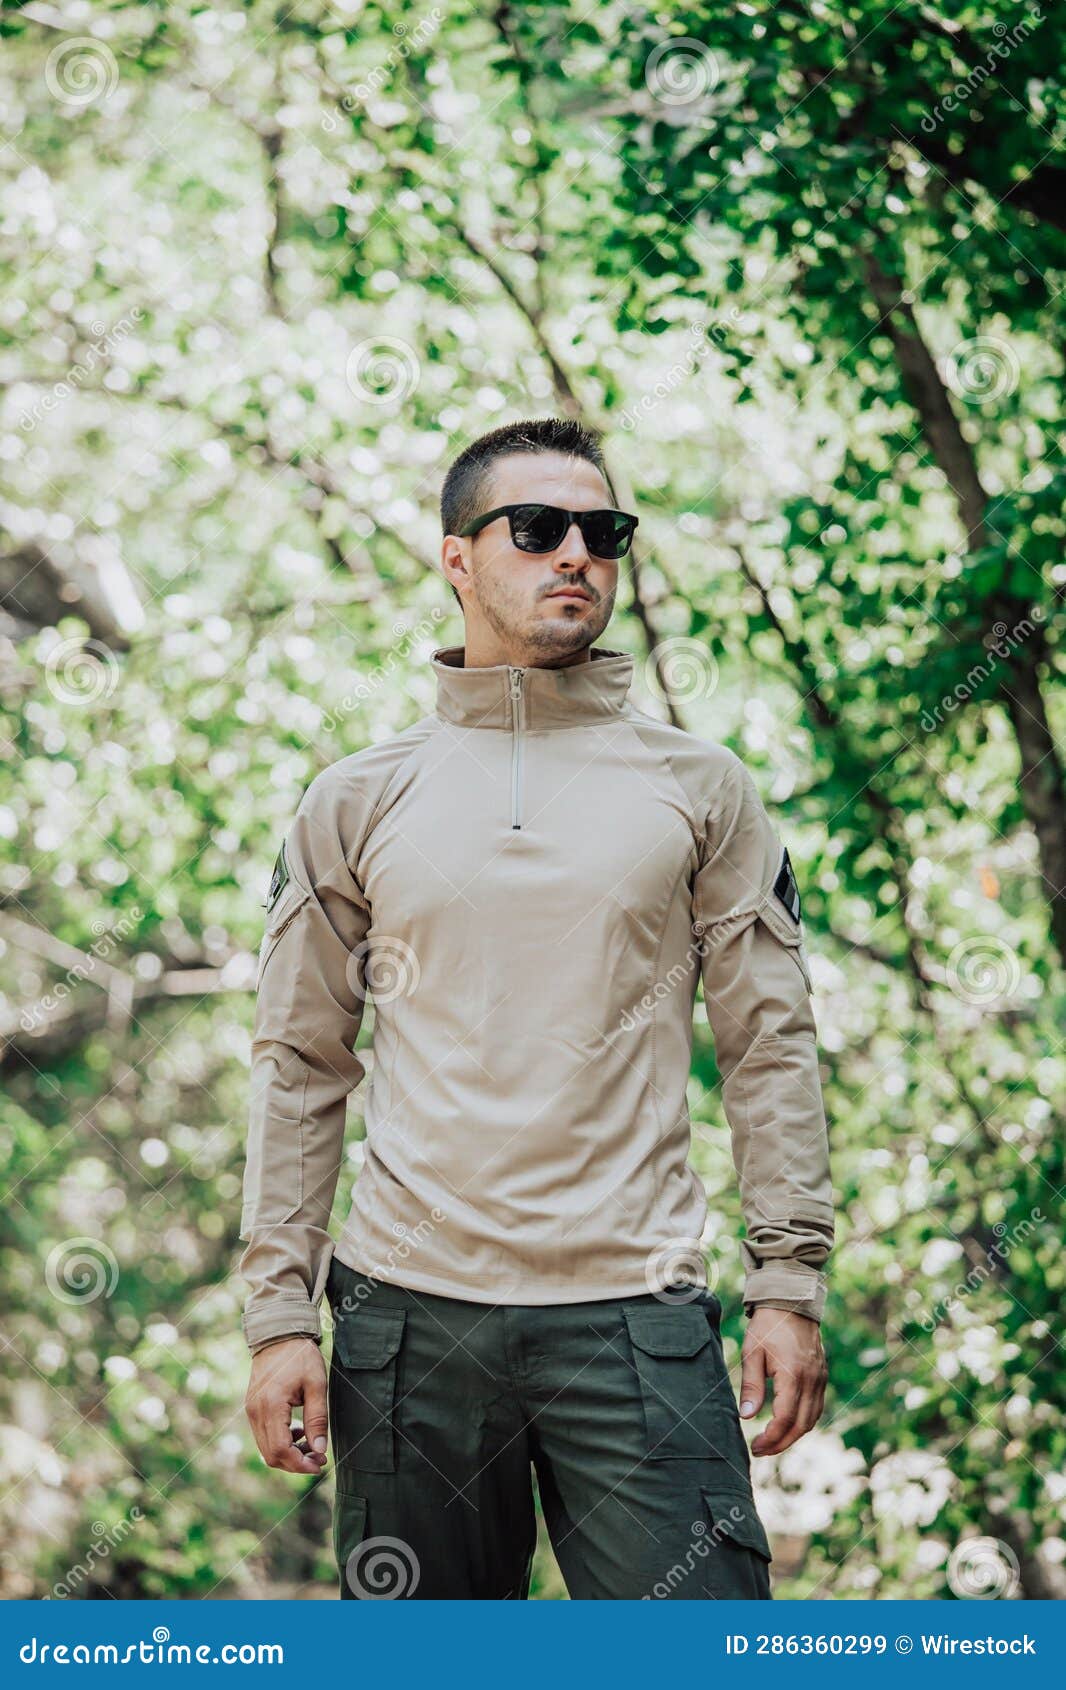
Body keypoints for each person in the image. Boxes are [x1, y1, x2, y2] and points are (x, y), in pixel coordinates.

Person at [241, 417, 834, 1600]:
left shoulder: (701, 789)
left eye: (602, 532)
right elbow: (301, 1063)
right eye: (537, 528)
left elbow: (768, 1046)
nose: (577, 553)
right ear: (457, 558)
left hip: (637, 1318)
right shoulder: (353, 800)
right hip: (406, 1326)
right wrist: (276, 1317)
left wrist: (787, 1282)